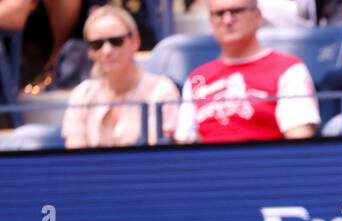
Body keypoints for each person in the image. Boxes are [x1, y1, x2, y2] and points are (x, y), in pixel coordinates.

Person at [174, 0, 320, 143]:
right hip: (207, 163)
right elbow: (183, 146)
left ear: (257, 16)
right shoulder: (198, 77)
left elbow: (299, 143)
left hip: (263, 163)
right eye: (219, 14)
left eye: (236, 11)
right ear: (211, 21)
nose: (227, 20)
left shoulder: (289, 69)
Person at [61, 5, 179, 147]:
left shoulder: (161, 90)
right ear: (90, 52)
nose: (107, 50)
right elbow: (75, 159)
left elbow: (152, 156)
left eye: (116, 41)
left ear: (135, 41)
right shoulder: (82, 95)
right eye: (97, 44)